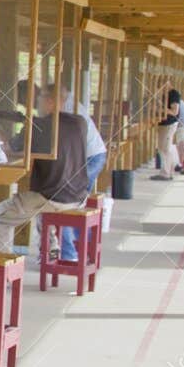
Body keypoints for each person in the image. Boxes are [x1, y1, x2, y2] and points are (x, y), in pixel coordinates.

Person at [0, 84, 91, 255]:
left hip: (53, 198)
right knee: (41, 202)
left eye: (40, 97)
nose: (37, 102)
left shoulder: (39, 125)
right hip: (79, 196)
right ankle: (51, 248)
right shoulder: (80, 123)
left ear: (49, 101)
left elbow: (8, 148)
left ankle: (0, 268)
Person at [59, 90, 108, 263]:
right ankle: (83, 251)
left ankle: (70, 254)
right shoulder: (65, 103)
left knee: (65, 203)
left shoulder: (65, 109)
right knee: (76, 204)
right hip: (92, 155)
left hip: (90, 157)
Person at [151, 88, 184, 180]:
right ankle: (179, 165)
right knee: (178, 147)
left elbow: (174, 112)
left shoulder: (175, 100)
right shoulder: (180, 101)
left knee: (182, 148)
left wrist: (160, 109)